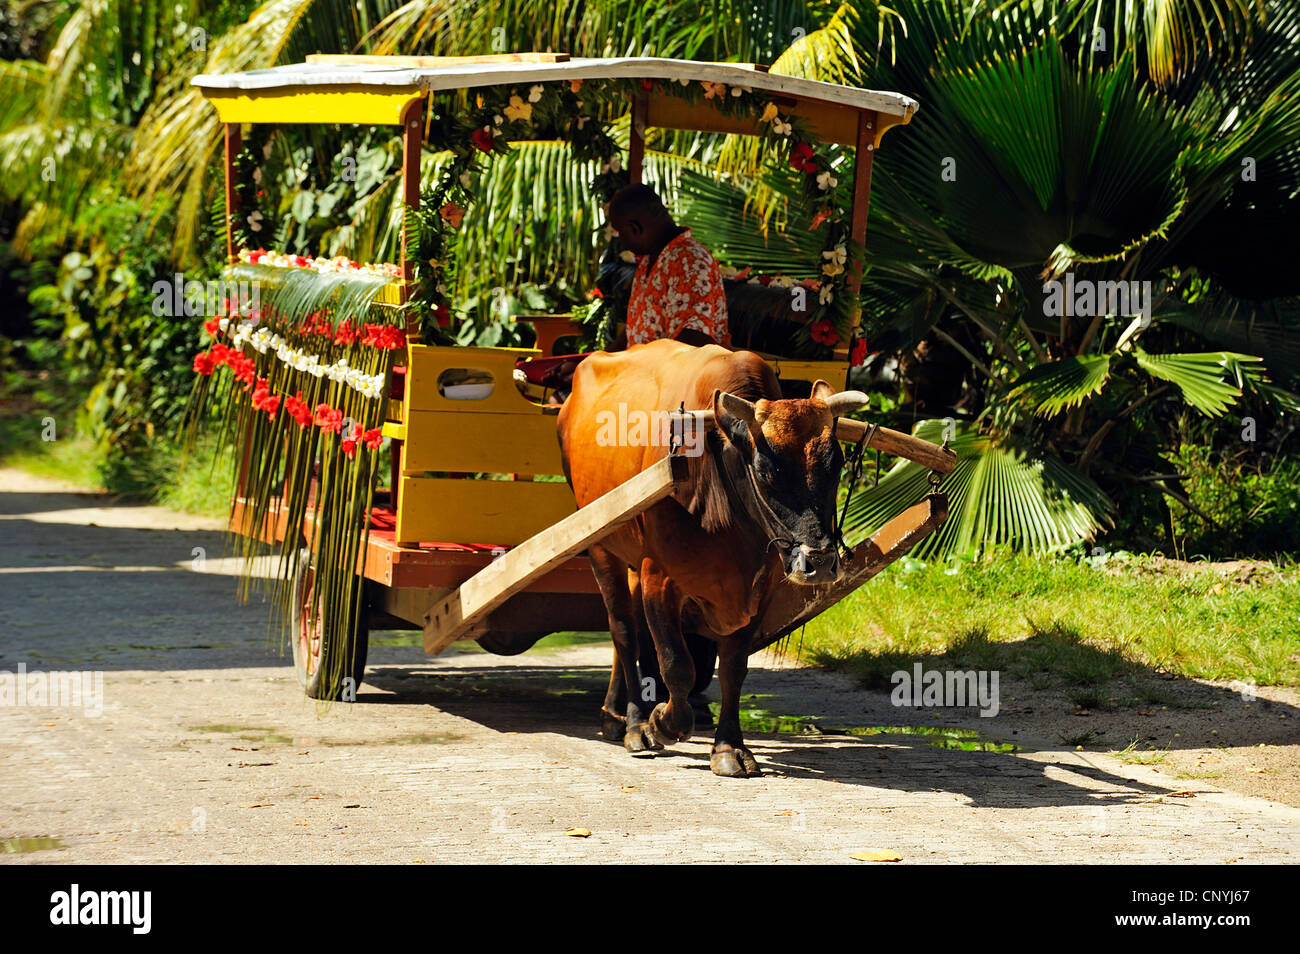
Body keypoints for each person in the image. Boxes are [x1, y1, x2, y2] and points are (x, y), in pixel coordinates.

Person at [607, 184, 731, 350]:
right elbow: (634, 332)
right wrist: (600, 361)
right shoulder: (649, 261)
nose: (620, 240)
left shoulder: (689, 261)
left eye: (619, 233)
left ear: (634, 228)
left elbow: (693, 344)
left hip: (676, 375)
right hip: (641, 372)